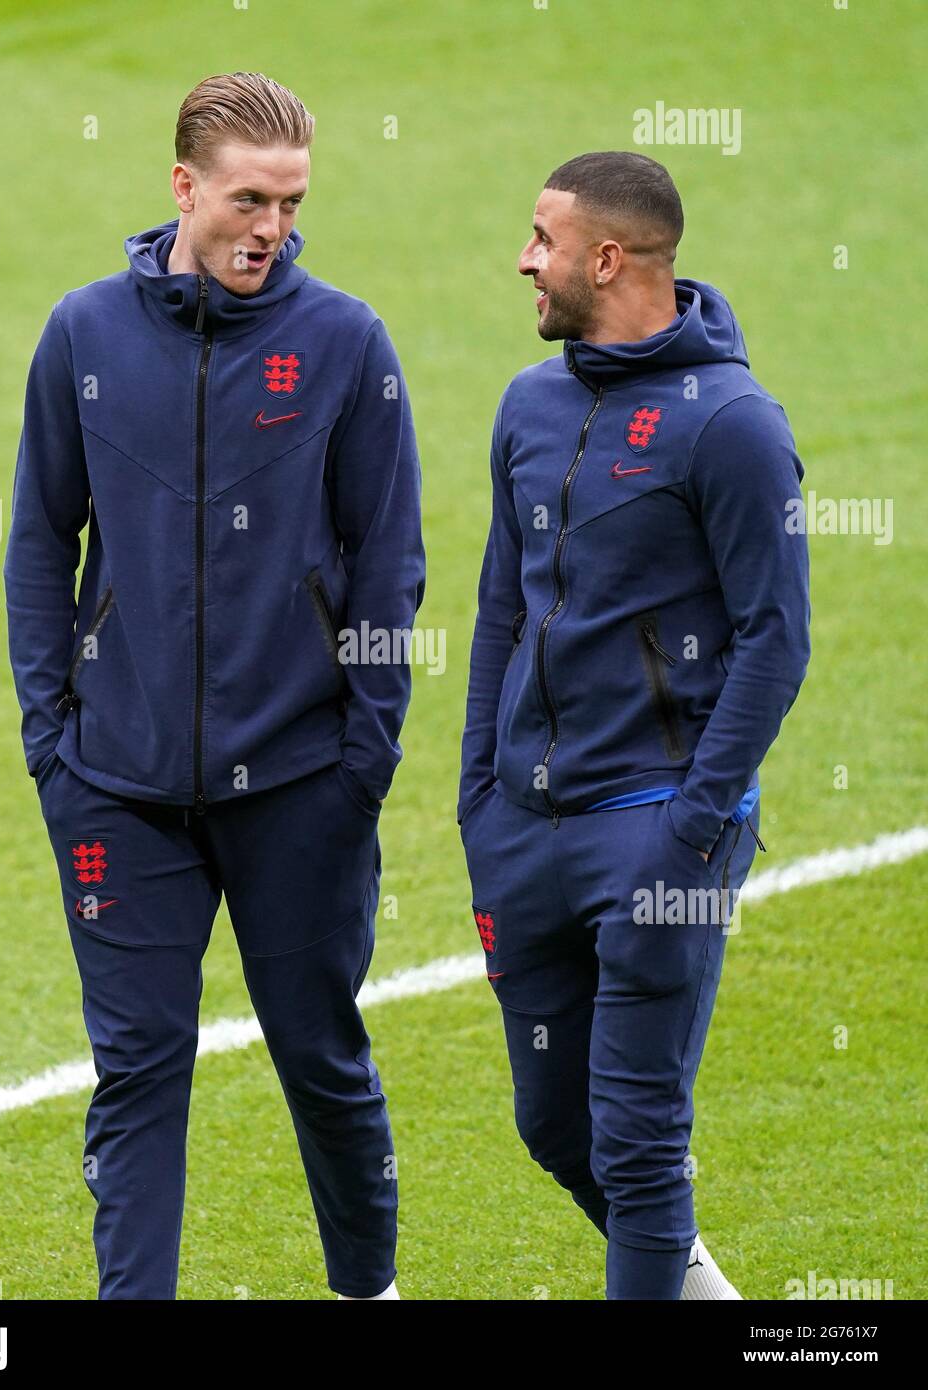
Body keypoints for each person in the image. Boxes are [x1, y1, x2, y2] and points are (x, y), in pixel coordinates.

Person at [3, 71, 424, 1301]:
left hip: (301, 784)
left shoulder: (346, 343)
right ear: (184, 187)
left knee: (319, 1055)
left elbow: (389, 569)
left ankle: (368, 1291)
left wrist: (363, 761)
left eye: (291, 203)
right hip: (115, 789)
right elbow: (42, 540)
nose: (271, 228)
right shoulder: (83, 334)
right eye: (249, 199)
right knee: (138, 1070)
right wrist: (52, 740)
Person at [458, 151, 810, 1300]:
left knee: (640, 1143)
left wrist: (695, 826)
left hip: (655, 834)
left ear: (605, 258)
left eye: (540, 238)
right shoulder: (530, 402)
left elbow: (775, 638)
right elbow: (501, 608)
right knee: (554, 1127)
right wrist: (479, 796)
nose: (524, 258)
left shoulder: (734, 426)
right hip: (523, 831)